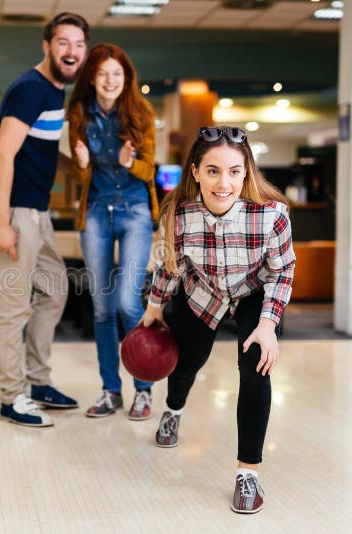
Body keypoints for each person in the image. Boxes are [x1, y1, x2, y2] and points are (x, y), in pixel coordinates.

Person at [140, 126, 295, 513]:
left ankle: (248, 476)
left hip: (253, 292)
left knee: (256, 367)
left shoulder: (272, 216)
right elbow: (169, 267)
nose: (223, 182)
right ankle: (173, 411)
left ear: (247, 173)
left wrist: (268, 325)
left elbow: (283, 271)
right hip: (202, 290)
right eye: (212, 170)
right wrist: (155, 307)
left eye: (233, 172)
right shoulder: (179, 216)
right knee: (188, 360)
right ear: (195, 172)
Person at [0, 12, 89, 427]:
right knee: (12, 306)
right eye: (63, 42)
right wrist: (2, 222)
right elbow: (2, 155)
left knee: (55, 288)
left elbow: (37, 152)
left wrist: (80, 163)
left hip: (36, 211)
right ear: (47, 46)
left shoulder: (52, 92)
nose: (71, 51)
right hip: (16, 211)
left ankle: (38, 381)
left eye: (79, 45)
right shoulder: (30, 89)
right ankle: (12, 397)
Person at [66, 43, 160, 420]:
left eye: (116, 74)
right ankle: (110, 391)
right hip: (95, 213)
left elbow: (151, 171)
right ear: (92, 76)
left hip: (135, 210)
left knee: (126, 302)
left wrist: (130, 161)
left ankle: (144, 389)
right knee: (103, 308)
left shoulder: (141, 111)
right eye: (103, 73)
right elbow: (79, 176)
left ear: (126, 78)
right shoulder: (79, 114)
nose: (109, 81)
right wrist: (83, 163)